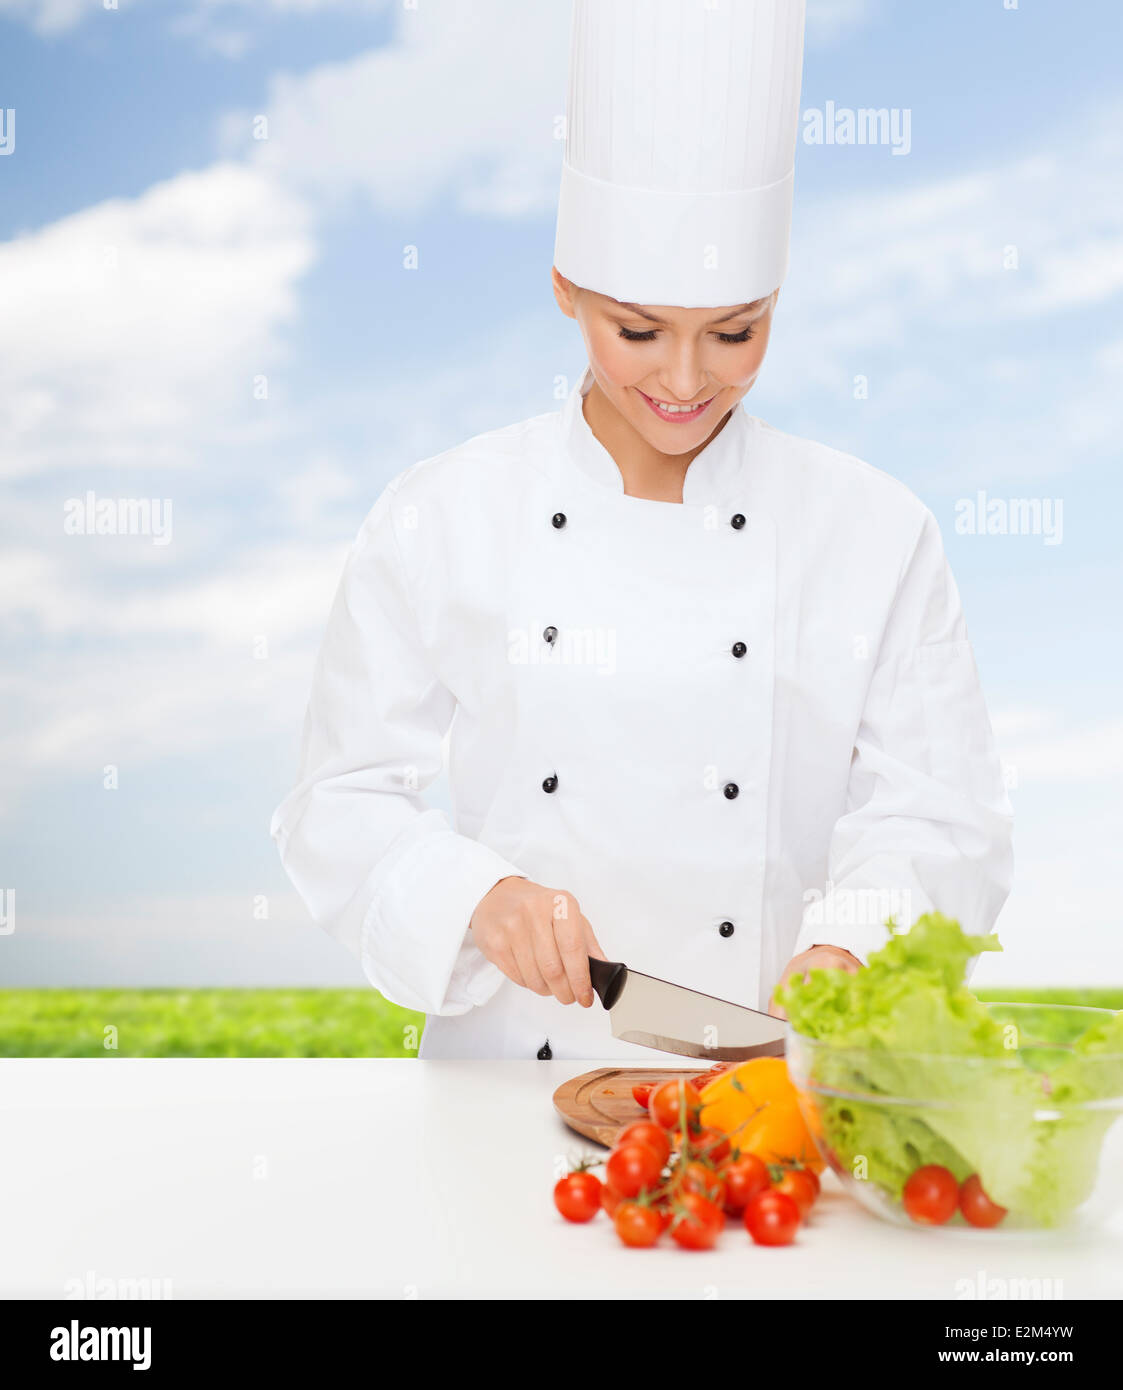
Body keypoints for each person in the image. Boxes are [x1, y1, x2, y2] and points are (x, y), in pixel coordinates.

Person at [271, 0, 1013, 1060]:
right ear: (567, 290)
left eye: (734, 332)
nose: (681, 380)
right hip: (502, 1097)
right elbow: (335, 804)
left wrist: (854, 942)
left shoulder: (875, 531)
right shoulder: (440, 514)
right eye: (637, 330)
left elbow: (943, 815)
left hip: (766, 1095)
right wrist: (475, 894)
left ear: (776, 298)